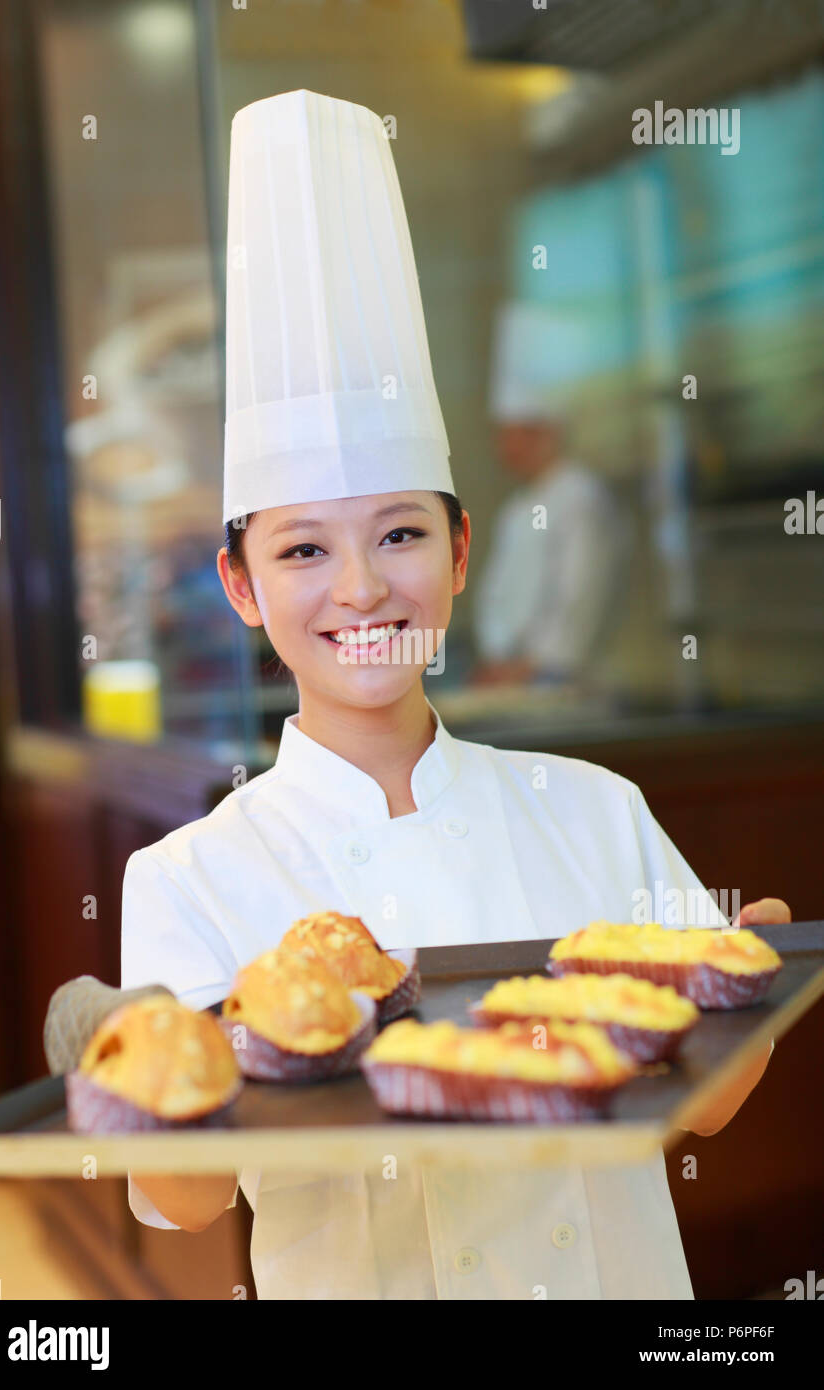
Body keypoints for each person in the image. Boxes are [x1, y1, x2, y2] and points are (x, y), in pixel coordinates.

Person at [122, 90, 788, 1299]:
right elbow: (182, 1201)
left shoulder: (593, 806)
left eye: (398, 534)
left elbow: (707, 1112)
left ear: (461, 549)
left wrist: (749, 989)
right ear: (238, 585)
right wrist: (172, 1070)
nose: (362, 588)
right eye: (303, 551)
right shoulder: (185, 877)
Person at [472, 304, 630, 688]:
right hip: (510, 678)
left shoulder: (579, 495)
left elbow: (580, 596)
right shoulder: (516, 507)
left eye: (512, 433)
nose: (502, 446)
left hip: (562, 683)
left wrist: (531, 665)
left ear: (542, 431)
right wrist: (496, 659)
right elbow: (499, 595)